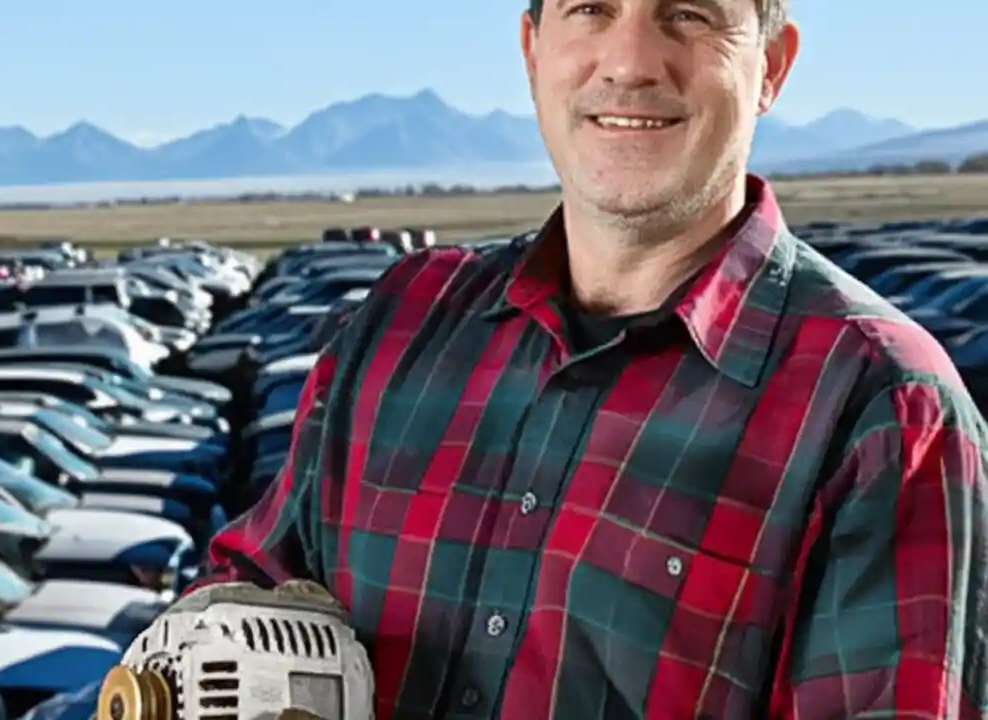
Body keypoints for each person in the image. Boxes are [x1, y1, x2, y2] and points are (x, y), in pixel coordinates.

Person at [186, 0, 988, 717]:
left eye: (688, 16)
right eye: (592, 9)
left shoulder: (883, 409)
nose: (632, 61)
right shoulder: (401, 326)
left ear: (771, 65)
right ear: (533, 50)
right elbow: (251, 595)